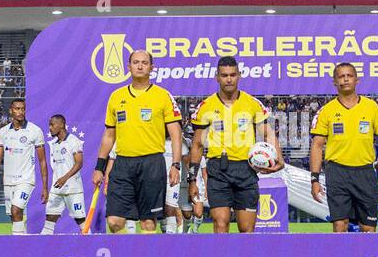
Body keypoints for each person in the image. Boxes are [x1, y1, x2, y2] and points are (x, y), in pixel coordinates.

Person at [187, 56, 282, 234]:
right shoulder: (206, 107)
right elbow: (198, 145)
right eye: (224, 75)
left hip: (246, 170)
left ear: (239, 75)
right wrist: (192, 180)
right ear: (217, 77)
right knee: (220, 225)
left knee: (247, 230)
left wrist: (280, 159)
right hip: (218, 171)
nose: (228, 79)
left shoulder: (252, 104)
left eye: (232, 74)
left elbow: (268, 133)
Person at [90, 51, 182, 233]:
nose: (140, 66)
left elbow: (176, 134)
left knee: (148, 222)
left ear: (152, 67)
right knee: (115, 221)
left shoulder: (163, 96)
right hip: (123, 164)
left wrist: (176, 165)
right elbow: (109, 136)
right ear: (128, 66)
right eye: (136, 62)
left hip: (152, 164)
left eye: (144, 63)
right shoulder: (116, 96)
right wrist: (99, 168)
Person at [309, 62, 378, 233]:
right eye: (341, 76)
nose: (346, 79)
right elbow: (317, 146)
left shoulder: (371, 107)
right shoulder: (326, 111)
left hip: (365, 173)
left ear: (357, 80)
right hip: (337, 173)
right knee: (340, 225)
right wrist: (314, 179)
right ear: (335, 82)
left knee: (368, 228)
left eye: (349, 75)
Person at [0, 98, 49, 236]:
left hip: (26, 180)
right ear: (11, 110)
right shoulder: (3, 132)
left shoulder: (35, 131)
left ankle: (18, 246)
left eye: (23, 108)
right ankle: (23, 239)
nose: (20, 112)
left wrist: (44, 186)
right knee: (13, 216)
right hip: (8, 181)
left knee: (16, 210)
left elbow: (42, 161)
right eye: (17, 109)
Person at [40, 114, 86, 234]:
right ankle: (41, 247)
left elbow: (79, 163)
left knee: (80, 220)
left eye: (52, 125)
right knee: (50, 218)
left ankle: (88, 246)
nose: (50, 128)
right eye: (49, 125)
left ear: (61, 124)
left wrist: (65, 178)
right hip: (57, 189)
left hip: (73, 189)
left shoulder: (73, 141)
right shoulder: (54, 144)